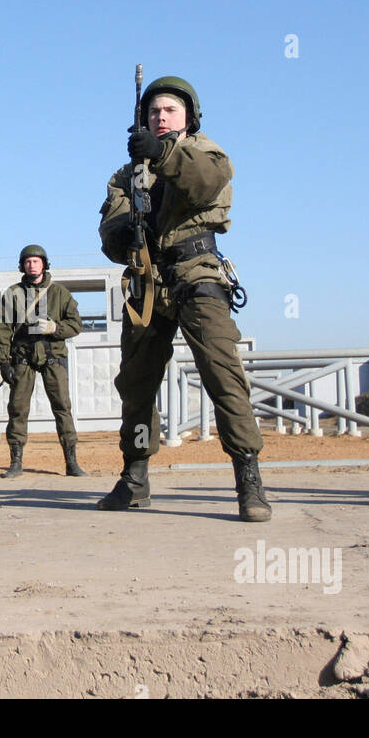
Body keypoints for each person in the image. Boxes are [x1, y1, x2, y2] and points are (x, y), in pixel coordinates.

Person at [96, 75, 272, 522]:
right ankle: (135, 477)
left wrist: (163, 154)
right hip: (146, 278)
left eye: (170, 110)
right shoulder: (125, 174)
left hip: (196, 270)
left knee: (222, 373)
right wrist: (124, 234)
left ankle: (248, 478)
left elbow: (204, 182)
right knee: (136, 385)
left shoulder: (206, 152)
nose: (161, 117)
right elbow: (109, 229)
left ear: (189, 116)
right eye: (153, 112)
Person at [0, 245, 85, 478]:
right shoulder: (12, 293)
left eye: (36, 261)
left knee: (62, 408)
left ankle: (71, 461)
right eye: (27, 262)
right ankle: (16, 462)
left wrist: (55, 328)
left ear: (44, 264)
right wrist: (3, 362)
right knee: (17, 409)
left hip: (53, 355)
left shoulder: (59, 293)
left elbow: (76, 324)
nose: (32, 265)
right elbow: (3, 329)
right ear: (22, 265)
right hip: (23, 357)